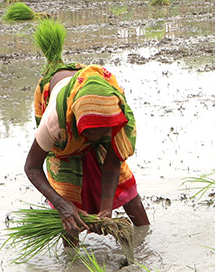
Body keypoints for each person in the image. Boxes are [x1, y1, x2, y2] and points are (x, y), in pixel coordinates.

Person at [26, 64, 148, 237]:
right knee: (67, 194)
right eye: (90, 132)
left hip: (90, 103)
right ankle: (72, 256)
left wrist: (106, 210)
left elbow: (113, 163)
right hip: (65, 128)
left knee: (124, 183)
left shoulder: (116, 113)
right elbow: (31, 167)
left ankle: (144, 237)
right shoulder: (55, 123)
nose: (96, 138)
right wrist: (61, 203)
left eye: (102, 133)